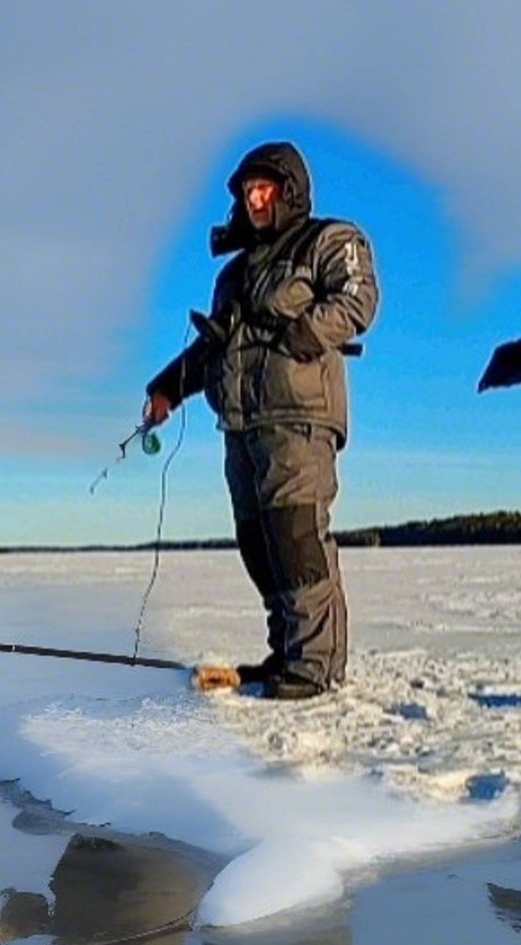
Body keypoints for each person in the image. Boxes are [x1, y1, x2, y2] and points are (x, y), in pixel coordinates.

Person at [143, 142, 379, 700]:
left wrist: (303, 334)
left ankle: (316, 666)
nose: (254, 199)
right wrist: (167, 390)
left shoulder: (330, 240)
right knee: (259, 543)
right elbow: (213, 351)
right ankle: (288, 653)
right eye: (247, 192)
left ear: (290, 190)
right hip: (241, 424)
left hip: (299, 416)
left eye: (265, 188)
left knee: (295, 536)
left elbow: (357, 299)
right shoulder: (234, 275)